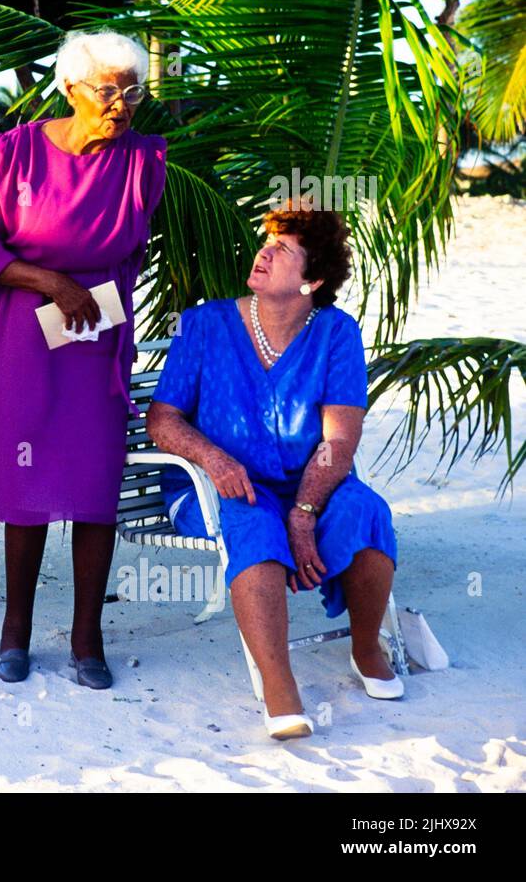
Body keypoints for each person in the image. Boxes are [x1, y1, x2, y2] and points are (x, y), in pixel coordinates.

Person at [0, 30, 167, 689]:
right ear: (71, 89)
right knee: (26, 480)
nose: (122, 103)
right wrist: (51, 283)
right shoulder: (11, 153)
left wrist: (98, 302)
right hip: (25, 331)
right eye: (109, 89)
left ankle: (87, 636)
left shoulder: (144, 160)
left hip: (98, 329)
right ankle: (15, 630)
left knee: (96, 484)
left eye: (133, 89)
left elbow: (134, 249)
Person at [146, 204, 401, 740]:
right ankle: (279, 681)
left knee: (364, 510)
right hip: (219, 484)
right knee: (255, 524)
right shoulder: (204, 324)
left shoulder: (335, 333)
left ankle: (365, 644)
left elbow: (339, 440)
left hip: (308, 480)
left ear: (311, 280)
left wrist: (305, 512)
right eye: (268, 243)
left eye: (282, 250)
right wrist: (214, 458)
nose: (264, 252)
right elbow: (162, 420)